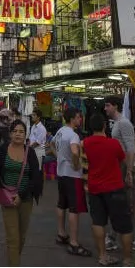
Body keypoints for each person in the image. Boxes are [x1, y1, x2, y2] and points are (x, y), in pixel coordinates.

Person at [82, 113, 135, 267]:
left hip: (95, 188)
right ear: (105, 126)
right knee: (125, 226)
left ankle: (103, 256)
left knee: (98, 222)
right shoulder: (113, 144)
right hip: (114, 188)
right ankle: (127, 259)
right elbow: (121, 159)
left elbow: (82, 161)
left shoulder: (85, 143)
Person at [0, 119, 43, 267]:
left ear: (25, 135)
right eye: (15, 131)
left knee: (21, 237)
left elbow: (35, 177)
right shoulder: (3, 149)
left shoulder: (31, 152)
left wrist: (20, 195)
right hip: (8, 199)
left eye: (21, 132)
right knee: (13, 238)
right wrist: (3, 189)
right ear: (10, 134)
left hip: (25, 199)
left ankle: (13, 259)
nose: (18, 134)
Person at [104, 96, 135, 256]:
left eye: (108, 105)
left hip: (125, 167)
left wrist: (129, 171)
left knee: (124, 202)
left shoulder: (124, 123)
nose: (105, 109)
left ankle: (115, 237)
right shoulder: (118, 123)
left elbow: (131, 149)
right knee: (130, 202)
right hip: (121, 166)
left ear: (115, 106)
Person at [50, 108, 90, 257]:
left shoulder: (60, 131)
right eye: (79, 117)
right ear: (72, 118)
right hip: (72, 176)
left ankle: (61, 233)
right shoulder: (73, 135)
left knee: (61, 204)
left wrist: (58, 156)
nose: (80, 120)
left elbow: (51, 144)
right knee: (74, 208)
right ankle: (73, 243)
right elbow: (74, 152)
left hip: (61, 173)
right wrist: (75, 164)